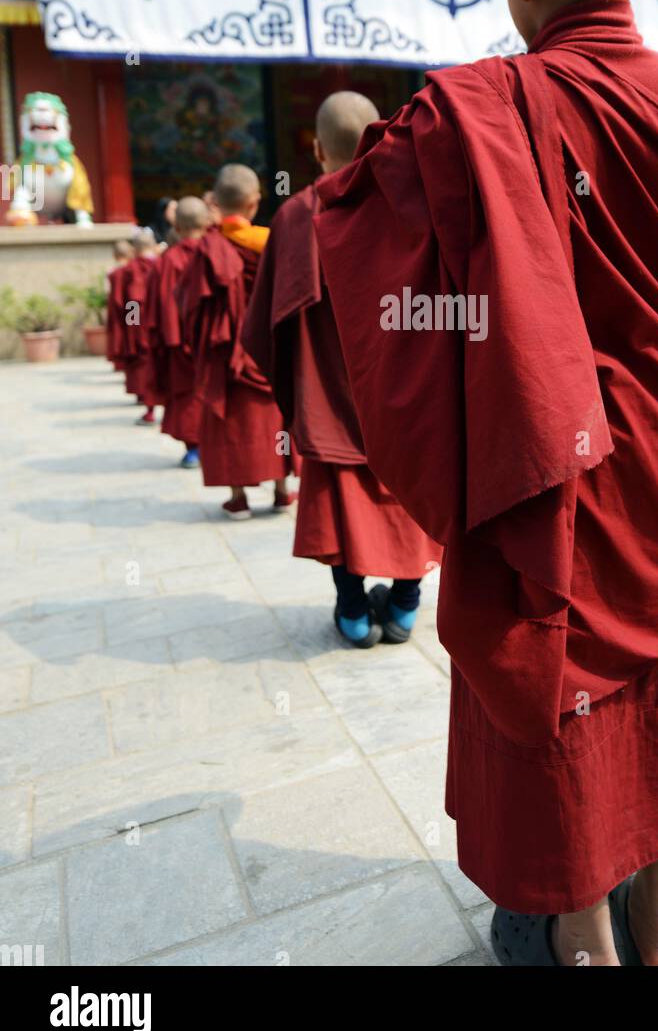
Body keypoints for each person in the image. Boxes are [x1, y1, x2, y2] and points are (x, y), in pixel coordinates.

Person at [314, 0, 658, 966]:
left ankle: (583, 929)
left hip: (536, 445)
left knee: (551, 671)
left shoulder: (473, 111)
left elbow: (349, 225)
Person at [243, 93, 442, 649]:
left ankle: (354, 612)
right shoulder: (414, 202)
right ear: (380, 136)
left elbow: (268, 325)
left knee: (342, 504)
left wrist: (297, 387)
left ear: (315, 149)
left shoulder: (293, 215)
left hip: (329, 397)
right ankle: (403, 607)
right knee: (410, 500)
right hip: (406, 398)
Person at [180, 164, 291, 519]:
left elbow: (191, 306)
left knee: (231, 417)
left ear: (217, 202)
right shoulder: (271, 241)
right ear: (255, 203)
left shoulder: (207, 248)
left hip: (227, 350)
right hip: (269, 346)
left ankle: (239, 496)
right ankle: (280, 490)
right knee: (274, 416)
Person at [147, 196, 210, 469]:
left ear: (178, 227)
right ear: (207, 223)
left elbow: (155, 306)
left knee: (186, 394)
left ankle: (193, 448)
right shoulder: (219, 253)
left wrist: (169, 339)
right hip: (215, 340)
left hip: (179, 344)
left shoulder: (165, 262)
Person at [118, 229, 163, 424]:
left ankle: (150, 409)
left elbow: (133, 301)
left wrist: (133, 328)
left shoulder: (132, 269)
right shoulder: (164, 263)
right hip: (165, 324)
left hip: (143, 325)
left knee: (146, 367)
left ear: (135, 250)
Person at [106, 239, 134, 374]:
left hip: (116, 308)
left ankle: (119, 361)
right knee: (132, 331)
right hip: (132, 306)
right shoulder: (134, 269)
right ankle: (132, 356)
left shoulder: (111, 272)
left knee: (117, 333)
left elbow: (108, 292)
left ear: (114, 255)